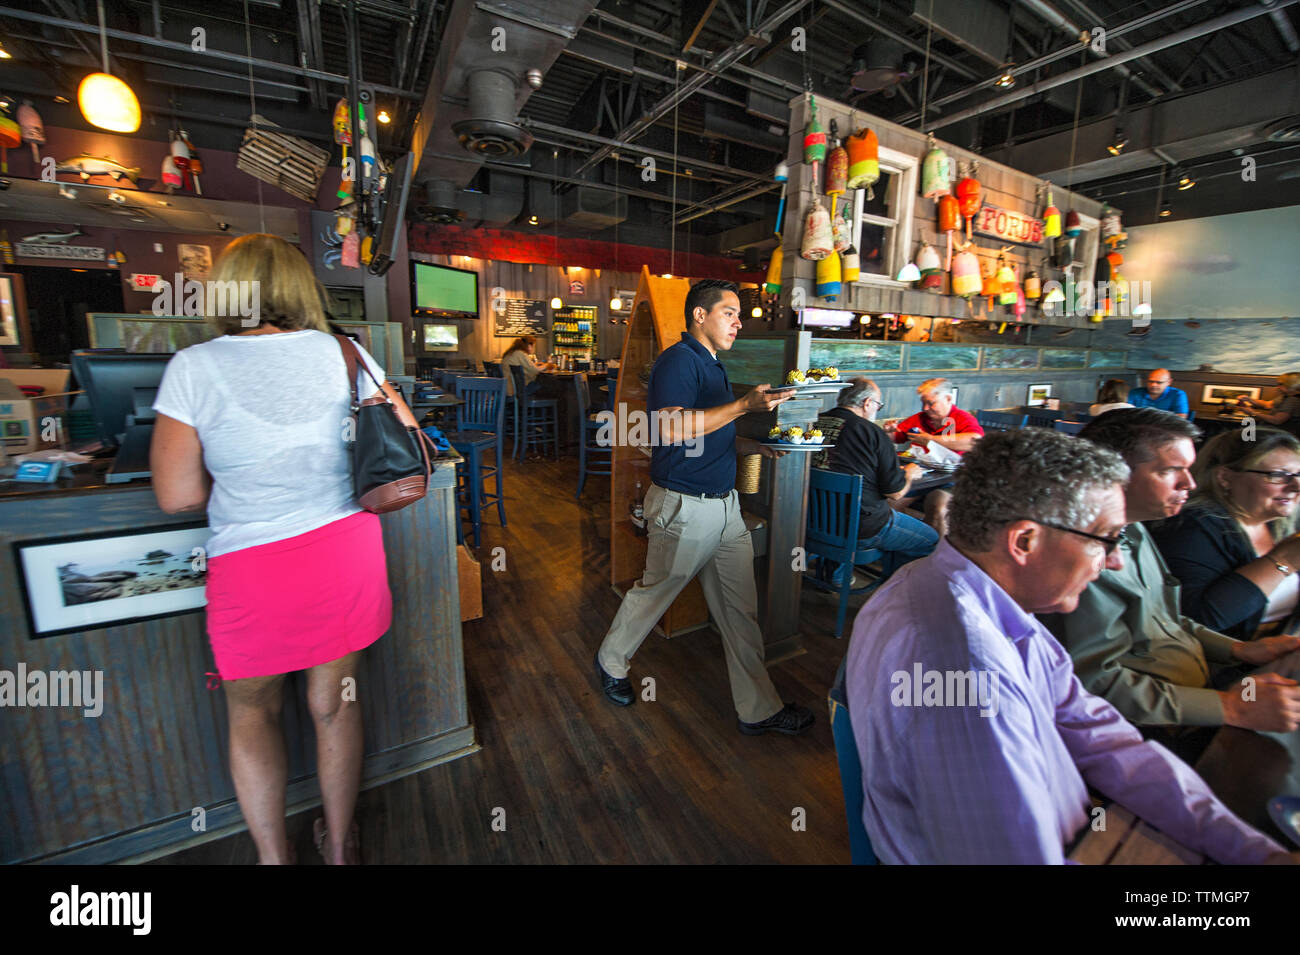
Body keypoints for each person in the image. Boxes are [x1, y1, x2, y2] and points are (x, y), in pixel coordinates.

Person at [846, 427, 1294, 864]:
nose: (1115, 560)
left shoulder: (984, 597)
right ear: (1025, 540)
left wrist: (1254, 852)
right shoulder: (964, 672)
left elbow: (1102, 737)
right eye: (1107, 539)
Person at [150, 234, 419, 865]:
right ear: (303, 287)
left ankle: (275, 859)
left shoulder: (194, 367)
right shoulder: (346, 353)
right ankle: (341, 844)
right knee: (335, 704)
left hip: (252, 568)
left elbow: (177, 494)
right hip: (344, 552)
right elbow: (407, 441)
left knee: (251, 715)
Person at [594, 279, 815, 736]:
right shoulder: (678, 361)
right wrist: (741, 406)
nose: (738, 322)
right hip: (684, 507)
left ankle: (758, 709)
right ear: (700, 315)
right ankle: (610, 662)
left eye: (738, 314)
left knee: (740, 611)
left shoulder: (712, 364)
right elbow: (671, 429)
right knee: (654, 593)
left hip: (725, 509)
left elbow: (709, 429)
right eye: (730, 312)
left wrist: (753, 443)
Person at [1041, 409, 1300, 739]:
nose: (1189, 484)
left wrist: (1239, 650)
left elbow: (1168, 617)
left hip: (1200, 691)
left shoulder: (1134, 527)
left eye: (1189, 470)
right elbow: (1095, 683)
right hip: (1150, 728)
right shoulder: (1087, 556)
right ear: (1112, 474)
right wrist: (1231, 707)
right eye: (1171, 471)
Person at [1150, 428, 1300, 640]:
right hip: (1220, 665)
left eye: (1299, 475)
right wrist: (1283, 561)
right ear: (1225, 477)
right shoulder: (1192, 528)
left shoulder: (1283, 523)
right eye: (1278, 476)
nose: (1296, 487)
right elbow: (1199, 620)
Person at [812, 377, 936, 586]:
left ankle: (836, 574)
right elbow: (895, 493)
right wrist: (909, 474)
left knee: (851, 505)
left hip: (813, 519)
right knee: (930, 539)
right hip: (861, 529)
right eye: (878, 405)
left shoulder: (815, 422)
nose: (877, 409)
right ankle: (894, 589)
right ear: (867, 403)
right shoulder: (872, 433)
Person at [881, 377, 984, 536]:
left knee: (938, 507)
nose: (925, 408)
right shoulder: (920, 418)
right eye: (923, 402)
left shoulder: (961, 418)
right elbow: (897, 437)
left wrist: (930, 440)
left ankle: (936, 555)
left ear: (948, 399)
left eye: (931, 403)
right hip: (921, 478)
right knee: (888, 504)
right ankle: (902, 547)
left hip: (952, 479)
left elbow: (975, 441)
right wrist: (888, 432)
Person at [1234, 372, 1300, 437]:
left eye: (1281, 384)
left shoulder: (1292, 400)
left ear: (1291, 385)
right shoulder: (1286, 395)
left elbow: (1277, 420)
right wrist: (1249, 399)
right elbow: (1267, 404)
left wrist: (1253, 413)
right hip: (1272, 432)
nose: (1278, 386)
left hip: (1277, 436)